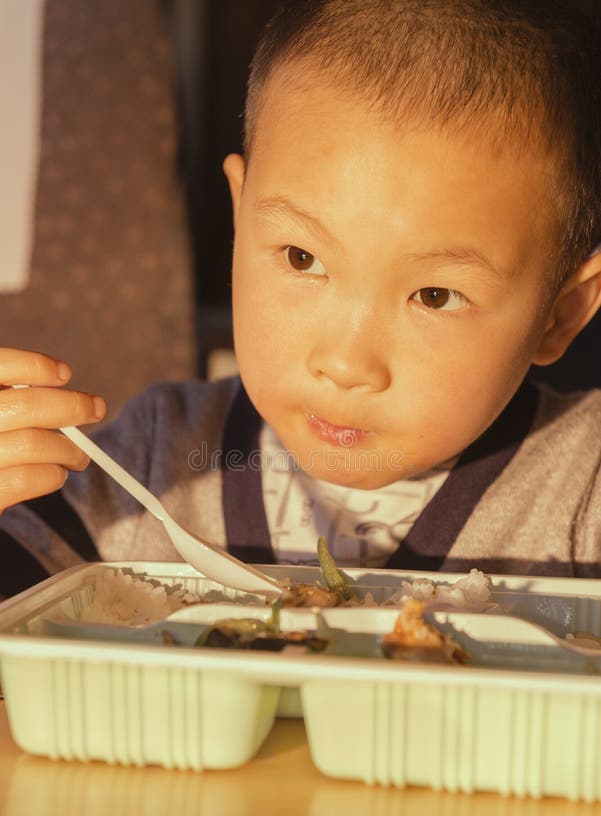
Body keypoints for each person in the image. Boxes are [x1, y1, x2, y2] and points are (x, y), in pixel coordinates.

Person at [1, 0, 601, 599]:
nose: (344, 364)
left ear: (562, 312)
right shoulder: (151, 463)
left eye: (435, 295)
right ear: (241, 219)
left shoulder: (582, 491)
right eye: (301, 258)